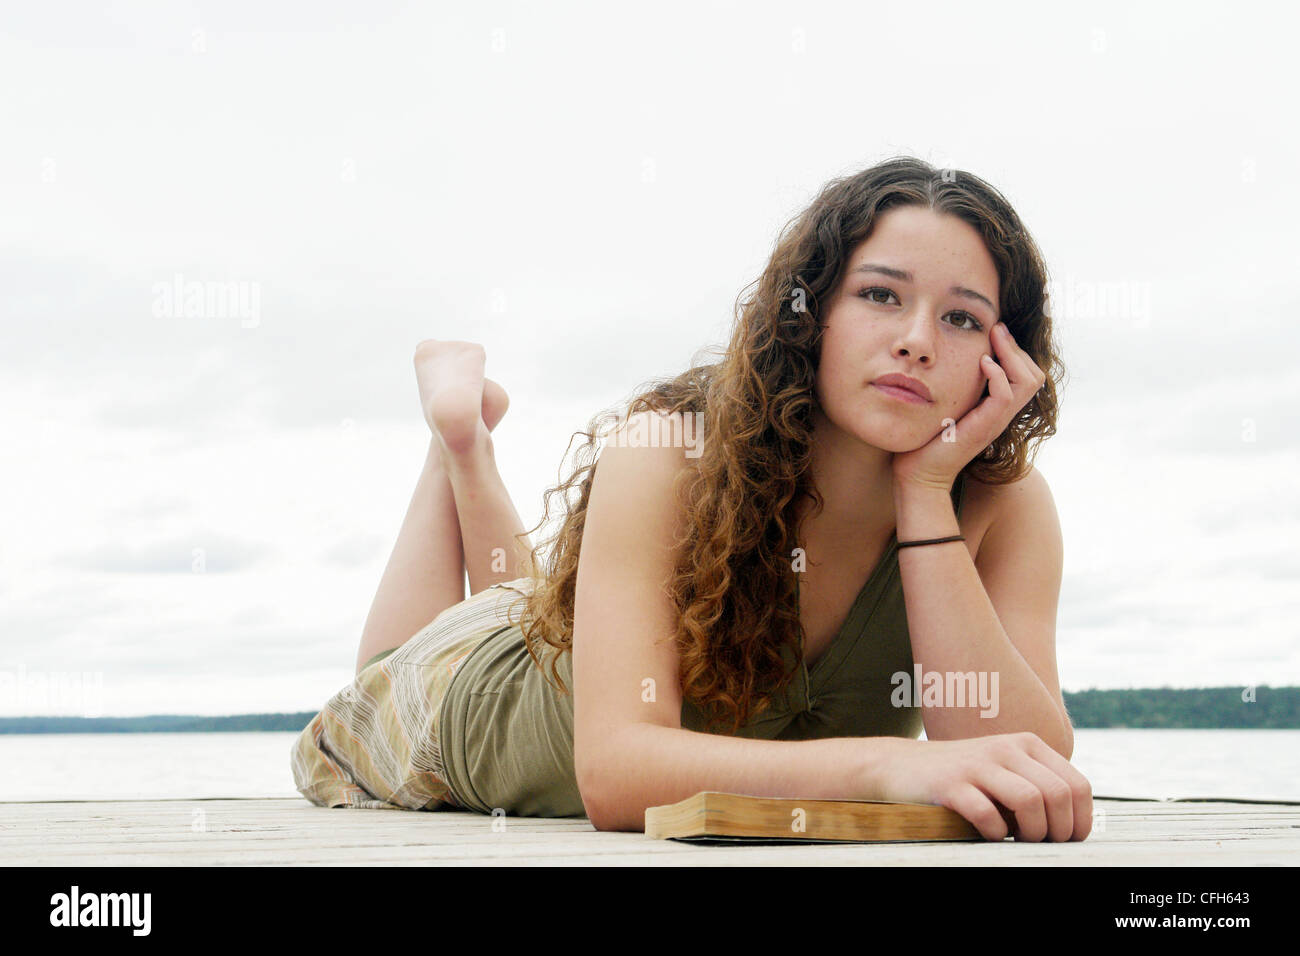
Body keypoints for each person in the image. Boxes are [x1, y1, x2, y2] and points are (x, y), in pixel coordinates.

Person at [291, 155, 1093, 843]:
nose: (918, 339)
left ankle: (465, 444)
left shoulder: (1006, 506)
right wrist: (892, 763)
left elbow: (1029, 764)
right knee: (382, 676)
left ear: (1004, 355)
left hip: (570, 622)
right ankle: (456, 443)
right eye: (880, 296)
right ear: (808, 312)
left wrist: (926, 498)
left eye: (961, 317)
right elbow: (615, 773)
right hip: (476, 698)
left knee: (519, 592)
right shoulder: (667, 451)